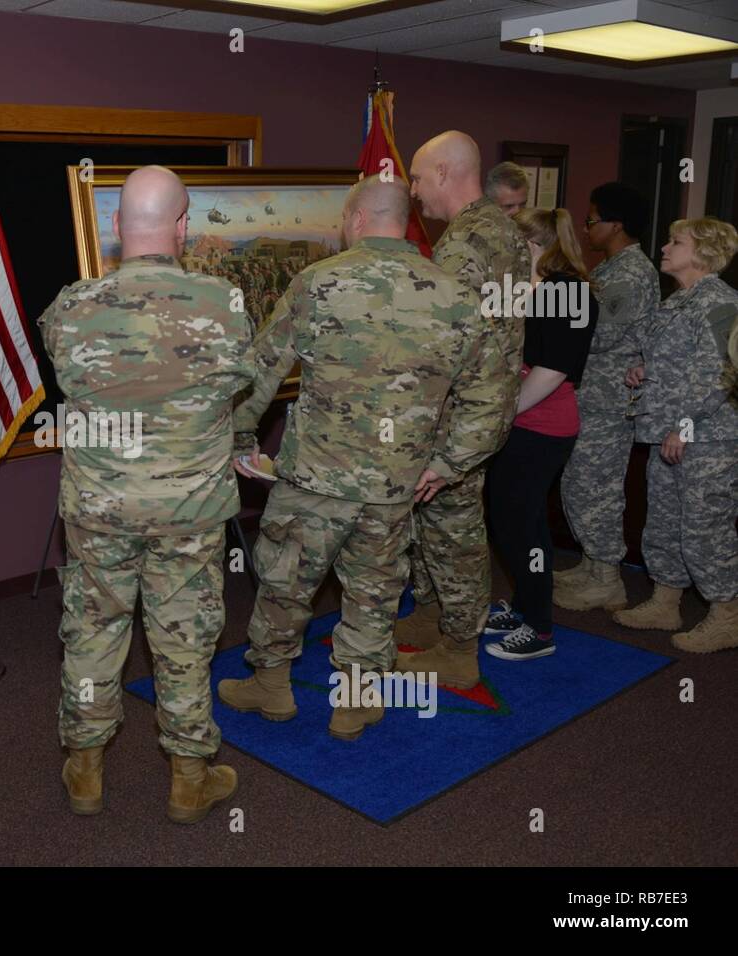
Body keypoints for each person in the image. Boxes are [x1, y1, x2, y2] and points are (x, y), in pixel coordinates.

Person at [216, 177, 505, 740]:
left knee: (285, 583)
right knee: (374, 591)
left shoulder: (318, 281)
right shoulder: (457, 297)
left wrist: (239, 441)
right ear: (407, 223)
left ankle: (271, 684)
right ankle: (357, 699)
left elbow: (260, 372)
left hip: (315, 479)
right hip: (396, 485)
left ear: (354, 218)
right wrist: (450, 464)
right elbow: (490, 396)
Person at [40, 165, 254, 824]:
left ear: (114, 225)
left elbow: (69, 377)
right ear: (184, 226)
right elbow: (238, 387)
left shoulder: (69, 307)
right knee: (185, 640)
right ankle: (189, 780)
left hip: (99, 508)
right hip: (188, 511)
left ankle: (85, 772)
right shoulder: (225, 305)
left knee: (92, 634)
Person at [396, 131, 532, 688]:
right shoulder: (505, 232)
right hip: (486, 407)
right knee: (439, 524)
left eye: (419, 177)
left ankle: (458, 649)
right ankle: (434, 617)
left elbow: (440, 344)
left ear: (447, 173)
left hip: (458, 417)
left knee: (454, 535)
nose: (413, 189)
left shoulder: (462, 244)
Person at [611, 218, 738, 652]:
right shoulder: (680, 300)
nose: (664, 247)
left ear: (703, 253)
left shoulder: (720, 302)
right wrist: (647, 370)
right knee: (664, 520)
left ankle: (727, 615)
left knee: (705, 528)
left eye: (676, 242)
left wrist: (683, 425)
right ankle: (666, 600)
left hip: (706, 439)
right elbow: (682, 361)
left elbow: (721, 375)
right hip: (669, 433)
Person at [482, 208, 599, 660]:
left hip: (542, 426)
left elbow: (554, 369)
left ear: (533, 243)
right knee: (515, 522)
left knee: (521, 526)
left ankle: (540, 629)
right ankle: (526, 606)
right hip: (522, 422)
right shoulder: (534, 289)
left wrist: (503, 413)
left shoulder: (569, 291)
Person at [554, 183, 659, 612]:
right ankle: (591, 564)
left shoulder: (631, 274)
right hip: (590, 398)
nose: (586, 227)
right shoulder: (606, 269)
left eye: (593, 220)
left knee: (595, 487)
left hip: (609, 403)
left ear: (616, 224)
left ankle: (607, 577)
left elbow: (600, 335)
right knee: (580, 483)